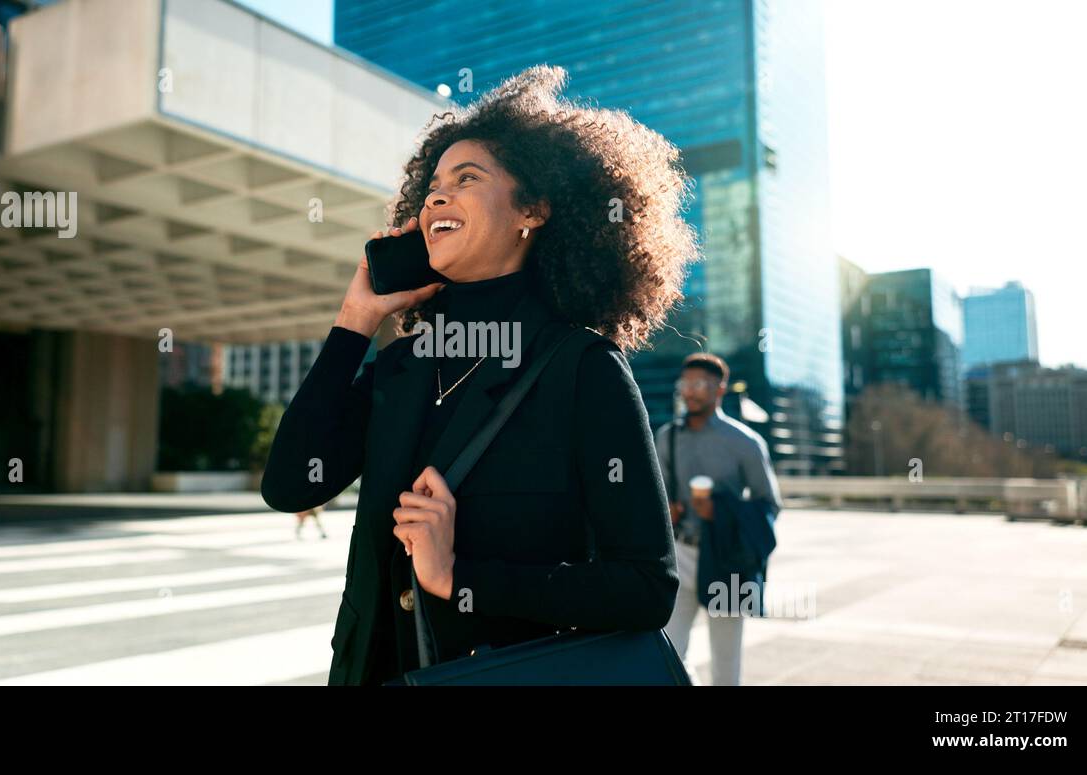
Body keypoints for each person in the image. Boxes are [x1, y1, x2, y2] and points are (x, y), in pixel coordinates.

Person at [260, 65, 702, 686]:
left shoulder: (584, 369)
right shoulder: (400, 366)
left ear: (535, 209)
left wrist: (458, 578)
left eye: (467, 180)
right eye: (433, 186)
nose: (436, 197)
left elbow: (645, 587)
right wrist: (354, 322)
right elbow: (290, 488)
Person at [654, 352, 781, 686]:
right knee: (667, 653)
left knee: (726, 664)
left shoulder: (745, 442)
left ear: (719, 389)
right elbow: (659, 494)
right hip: (680, 555)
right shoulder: (666, 437)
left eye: (699, 384)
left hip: (727, 559)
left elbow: (770, 504)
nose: (690, 392)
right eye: (685, 384)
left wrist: (722, 512)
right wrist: (667, 508)